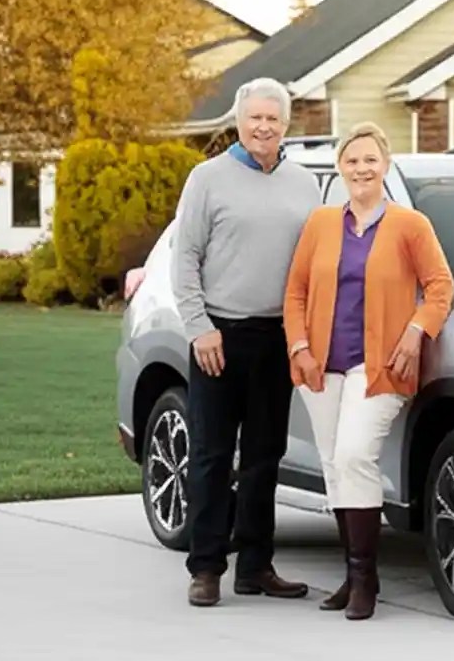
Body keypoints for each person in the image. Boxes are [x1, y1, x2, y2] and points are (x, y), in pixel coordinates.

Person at [282, 121, 454, 620]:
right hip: (319, 366)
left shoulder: (410, 225)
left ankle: (365, 582)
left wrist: (416, 331)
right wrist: (299, 346)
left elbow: (441, 286)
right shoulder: (320, 224)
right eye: (353, 160)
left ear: (386, 165)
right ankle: (355, 576)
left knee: (357, 455)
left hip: (379, 366)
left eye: (371, 160)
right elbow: (295, 292)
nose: (361, 169)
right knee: (336, 465)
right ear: (341, 167)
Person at [172, 77, 321, 607]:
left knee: (264, 457)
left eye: (273, 119)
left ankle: (255, 566)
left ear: (285, 125)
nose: (263, 127)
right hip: (219, 335)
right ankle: (206, 567)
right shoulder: (206, 178)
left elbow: (315, 265)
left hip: (277, 337)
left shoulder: (305, 185)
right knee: (212, 455)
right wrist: (199, 327)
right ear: (239, 121)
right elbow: (184, 258)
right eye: (255, 117)